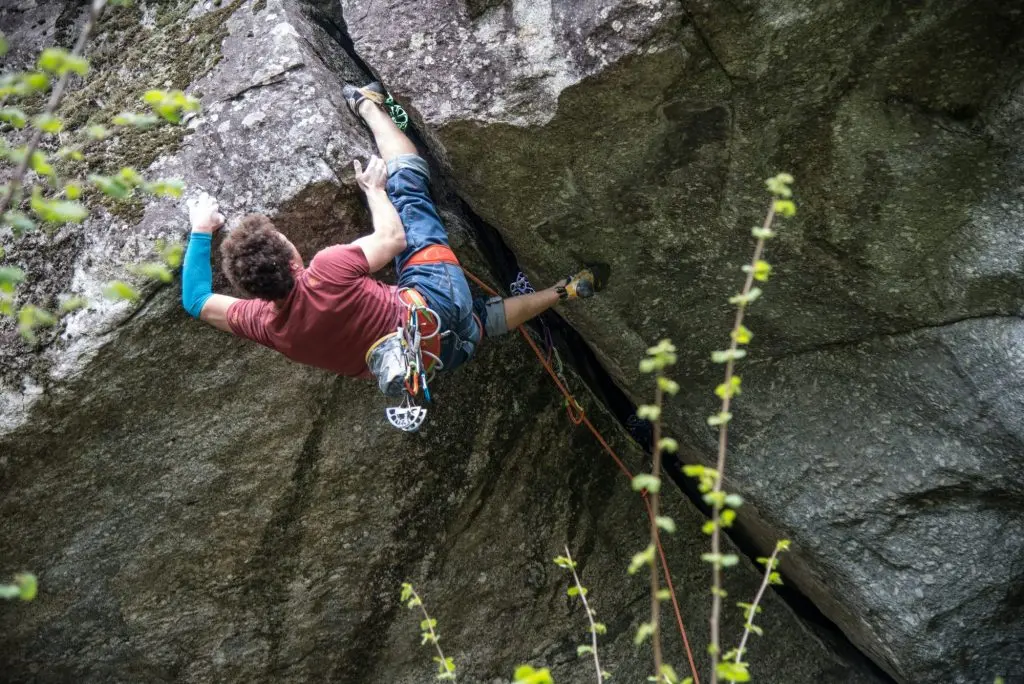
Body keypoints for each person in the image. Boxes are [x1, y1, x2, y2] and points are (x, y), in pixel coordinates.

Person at [180, 80, 608, 403]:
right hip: (435, 299)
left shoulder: (267, 326)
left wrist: (202, 232)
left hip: (438, 356)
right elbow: (392, 237)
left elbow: (196, 300)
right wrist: (373, 191)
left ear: (250, 289)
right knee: (408, 189)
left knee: (482, 322)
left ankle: (564, 291)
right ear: (293, 257)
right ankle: (369, 103)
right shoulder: (326, 269)